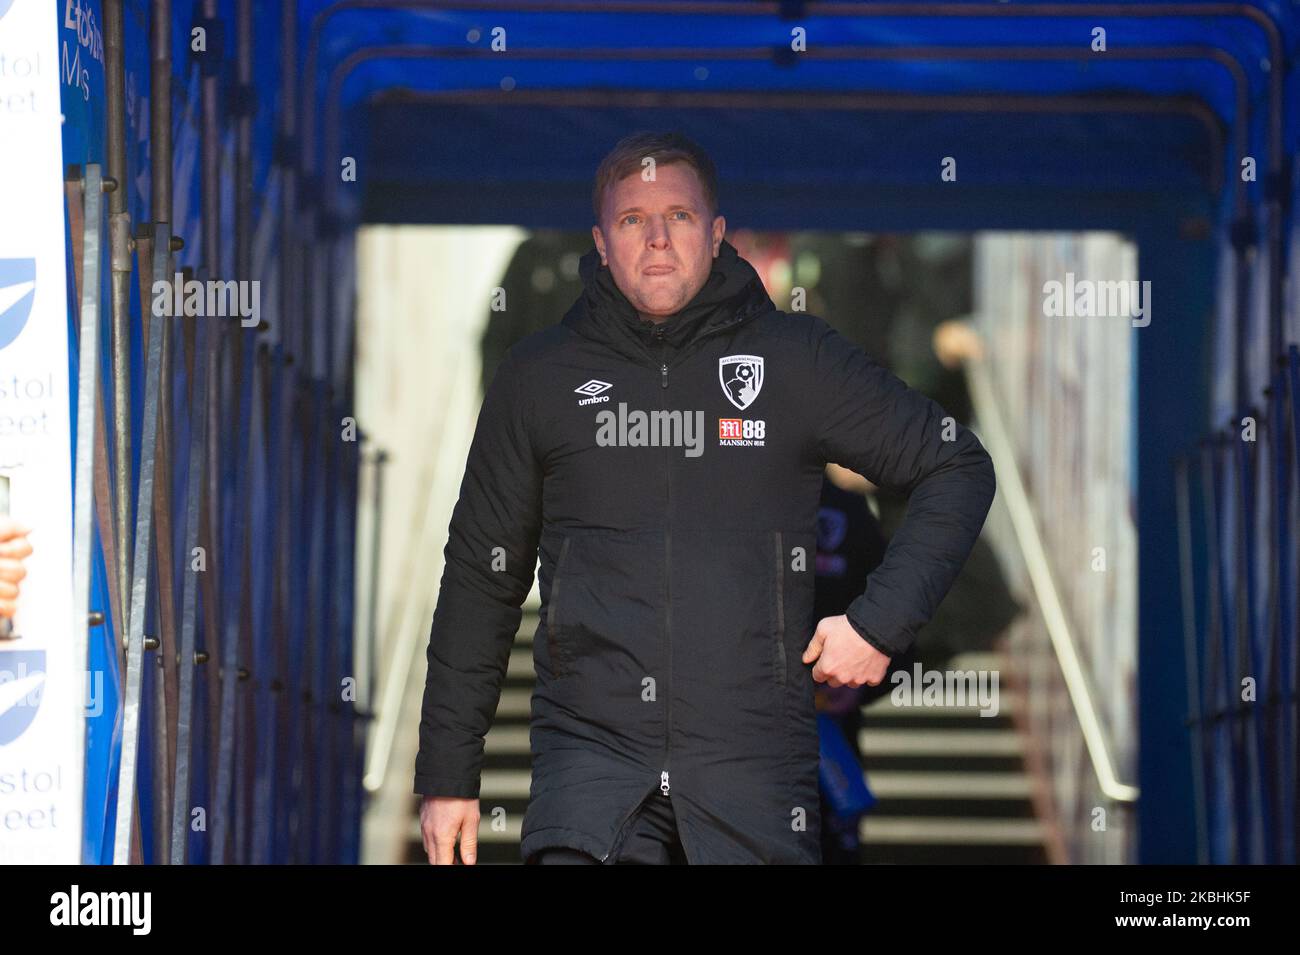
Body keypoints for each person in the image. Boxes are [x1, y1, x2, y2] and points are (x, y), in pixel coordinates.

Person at [414, 130, 996, 865]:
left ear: (717, 233)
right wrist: (447, 776)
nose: (657, 239)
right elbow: (478, 579)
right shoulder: (538, 380)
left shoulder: (793, 360)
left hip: (753, 781)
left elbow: (957, 464)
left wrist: (879, 624)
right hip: (589, 780)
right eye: (633, 220)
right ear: (600, 241)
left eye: (680, 217)